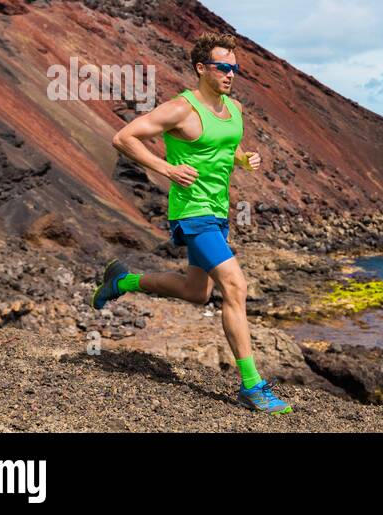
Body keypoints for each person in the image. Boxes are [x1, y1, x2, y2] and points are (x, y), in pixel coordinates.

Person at [98, 32, 290, 415]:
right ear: (202, 68)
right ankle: (252, 386)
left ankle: (122, 281)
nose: (230, 74)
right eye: (223, 67)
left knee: (195, 292)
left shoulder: (234, 109)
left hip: (218, 213)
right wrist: (166, 168)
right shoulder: (180, 109)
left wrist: (241, 160)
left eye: (234, 68)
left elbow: (226, 144)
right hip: (192, 213)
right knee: (235, 284)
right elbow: (124, 137)